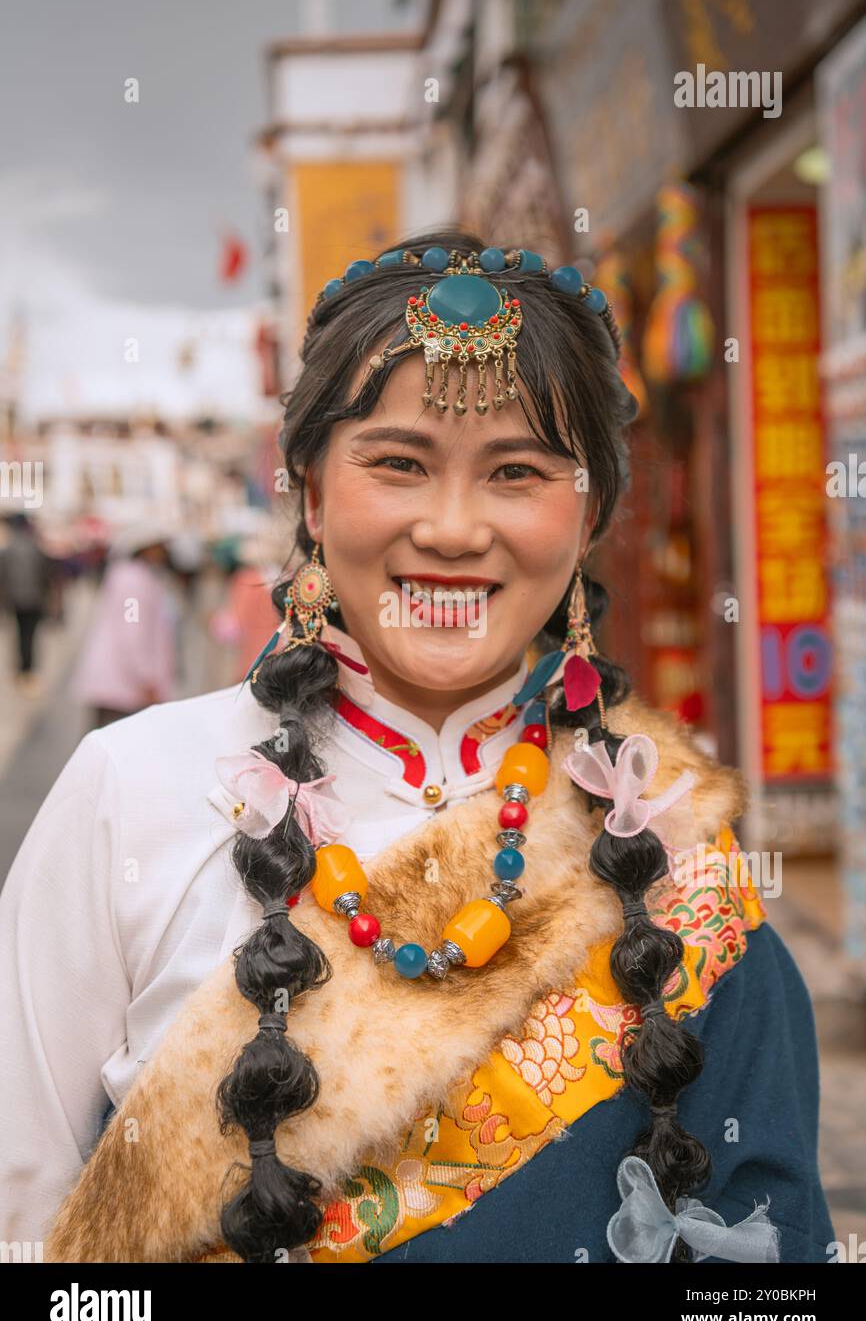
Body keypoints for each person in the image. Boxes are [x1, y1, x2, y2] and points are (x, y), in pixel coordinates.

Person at [0, 232, 834, 1265]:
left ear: (586, 520)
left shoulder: (669, 844)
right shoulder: (128, 791)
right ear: (309, 492)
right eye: (398, 464)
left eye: (516, 471)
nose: (450, 527)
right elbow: (20, 1218)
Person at [70, 519, 179, 727]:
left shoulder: (136, 577)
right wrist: (146, 676)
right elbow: (132, 630)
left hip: (123, 683)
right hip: (121, 685)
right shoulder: (132, 582)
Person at [0, 512, 54, 693]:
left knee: (19, 635)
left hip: (16, 600)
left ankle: (21, 671)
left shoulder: (8, 549)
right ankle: (28, 671)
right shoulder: (36, 547)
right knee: (30, 636)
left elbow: (3, 577)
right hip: (34, 599)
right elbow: (46, 575)